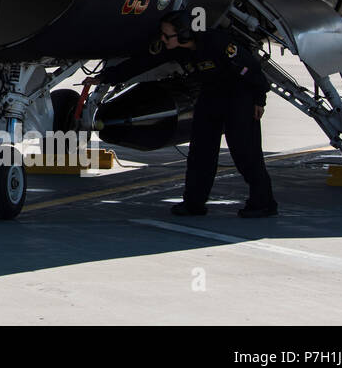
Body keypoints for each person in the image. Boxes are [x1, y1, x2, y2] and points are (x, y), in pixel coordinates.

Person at [89, 11, 277, 218]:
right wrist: (105, 77)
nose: (162, 38)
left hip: (239, 97)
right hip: (209, 97)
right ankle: (193, 203)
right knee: (200, 153)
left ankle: (263, 203)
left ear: (185, 34)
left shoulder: (217, 43)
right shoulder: (176, 49)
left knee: (245, 152)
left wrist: (259, 99)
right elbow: (142, 62)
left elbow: (251, 69)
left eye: (167, 35)